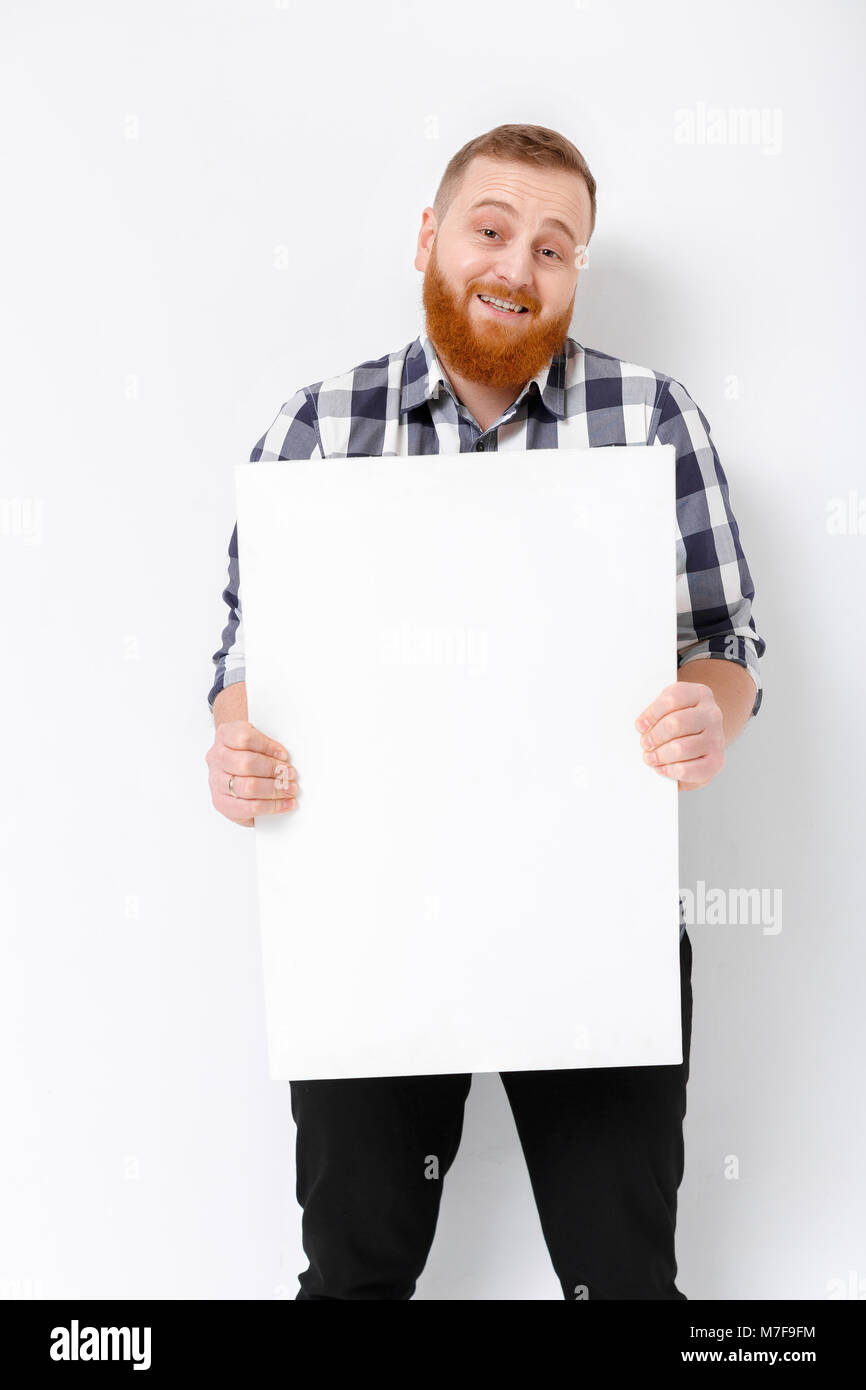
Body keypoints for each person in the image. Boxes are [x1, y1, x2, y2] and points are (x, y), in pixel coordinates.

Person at [204, 123, 765, 1299]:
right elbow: (243, 660)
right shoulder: (315, 427)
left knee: (621, 1279)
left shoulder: (648, 416)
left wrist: (707, 715)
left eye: (553, 246)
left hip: (592, 920)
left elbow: (725, 640)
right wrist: (235, 746)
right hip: (367, 927)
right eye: (492, 228)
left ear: (576, 272)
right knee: (352, 1275)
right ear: (430, 236)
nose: (517, 265)